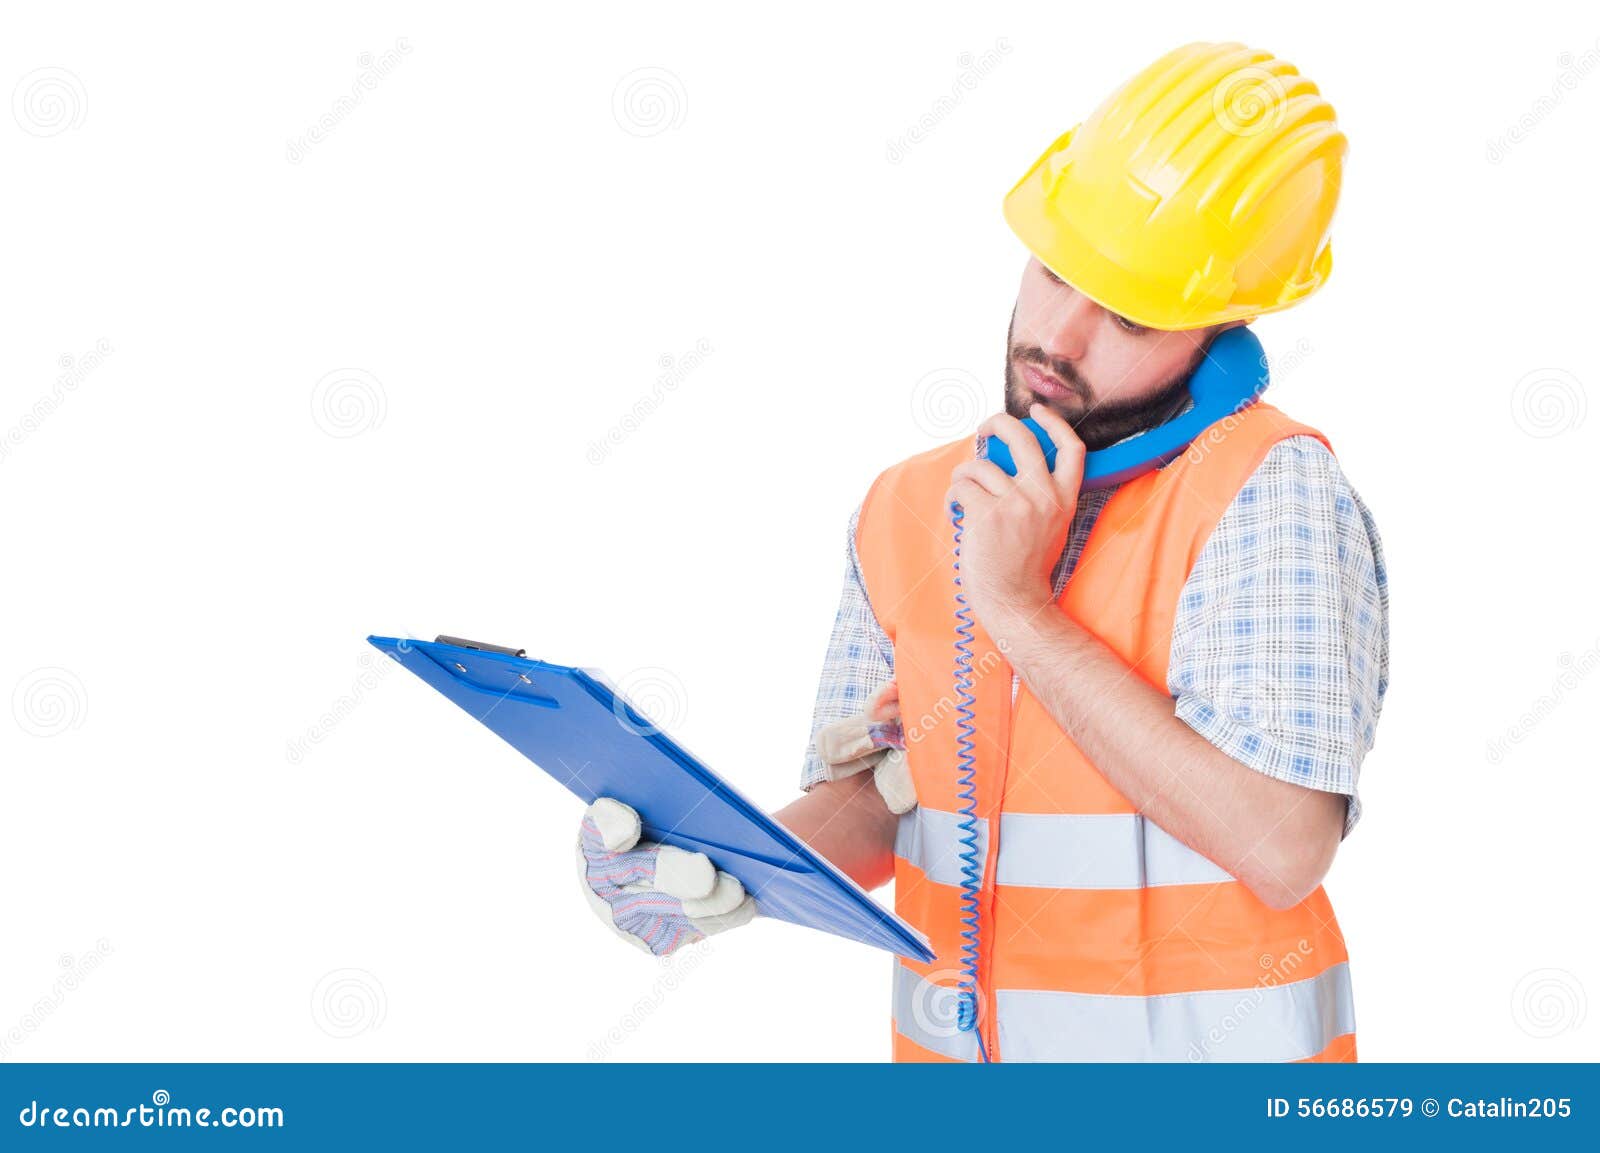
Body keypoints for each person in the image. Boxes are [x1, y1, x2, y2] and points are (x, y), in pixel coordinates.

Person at [576, 40, 1389, 1063]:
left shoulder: (1267, 492)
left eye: (1130, 316)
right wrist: (716, 865)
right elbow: (886, 801)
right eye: (1056, 272)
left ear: (1222, 335)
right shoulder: (910, 504)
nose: (1060, 339)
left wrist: (1017, 610)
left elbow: (1281, 847)